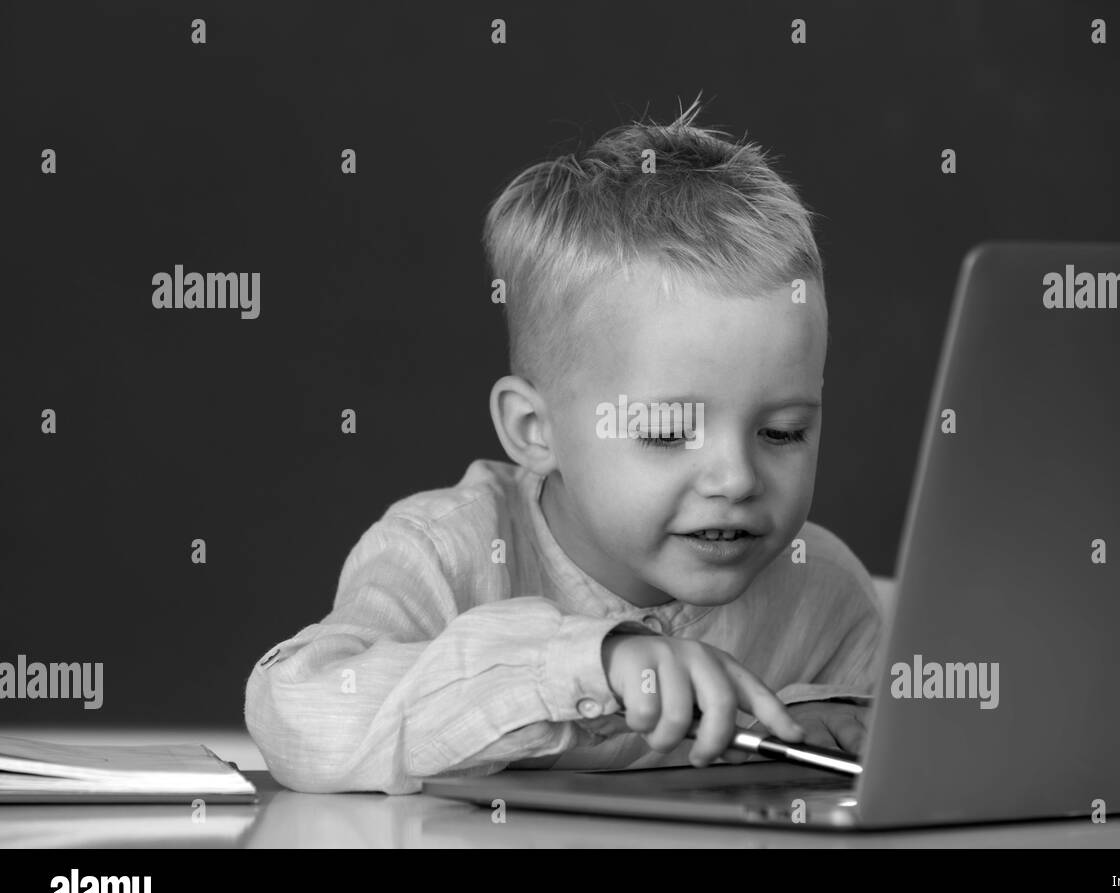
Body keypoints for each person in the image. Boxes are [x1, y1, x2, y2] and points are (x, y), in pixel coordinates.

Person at [244, 95, 885, 794]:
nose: (736, 476)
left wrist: (827, 727)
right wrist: (590, 662)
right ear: (535, 430)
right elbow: (296, 711)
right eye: (668, 431)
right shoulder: (443, 553)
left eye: (783, 431)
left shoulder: (825, 591)